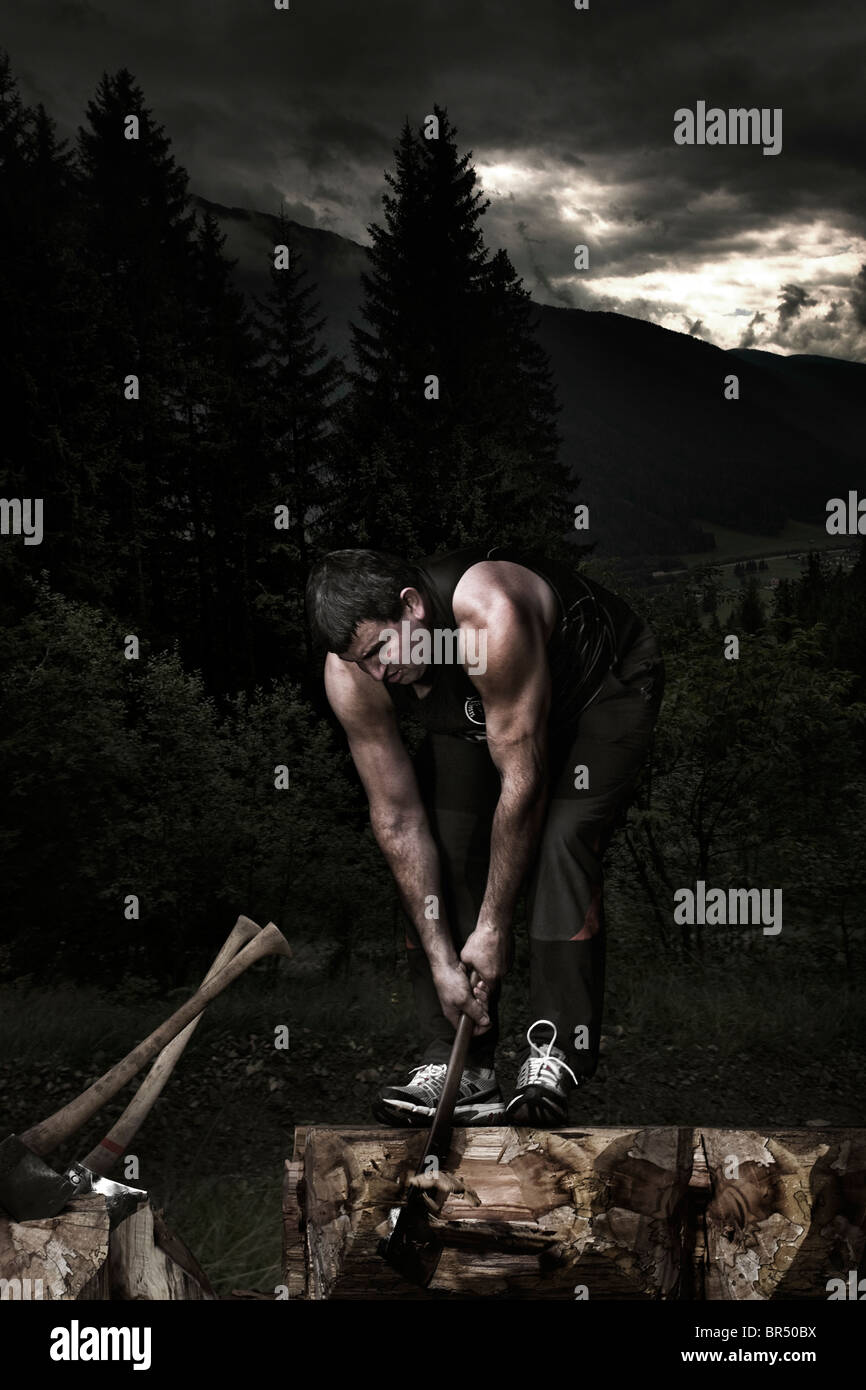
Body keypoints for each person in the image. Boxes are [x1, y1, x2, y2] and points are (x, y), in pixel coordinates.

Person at [305, 543, 665, 1126]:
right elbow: (397, 820)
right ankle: (459, 1064)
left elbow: (523, 784)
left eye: (378, 650)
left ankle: (555, 1049)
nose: (376, 673)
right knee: (446, 850)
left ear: (413, 605)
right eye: (357, 659)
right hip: (490, 707)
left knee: (561, 841)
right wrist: (443, 958)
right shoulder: (353, 671)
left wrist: (493, 927)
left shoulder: (488, 615)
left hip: (600, 687)